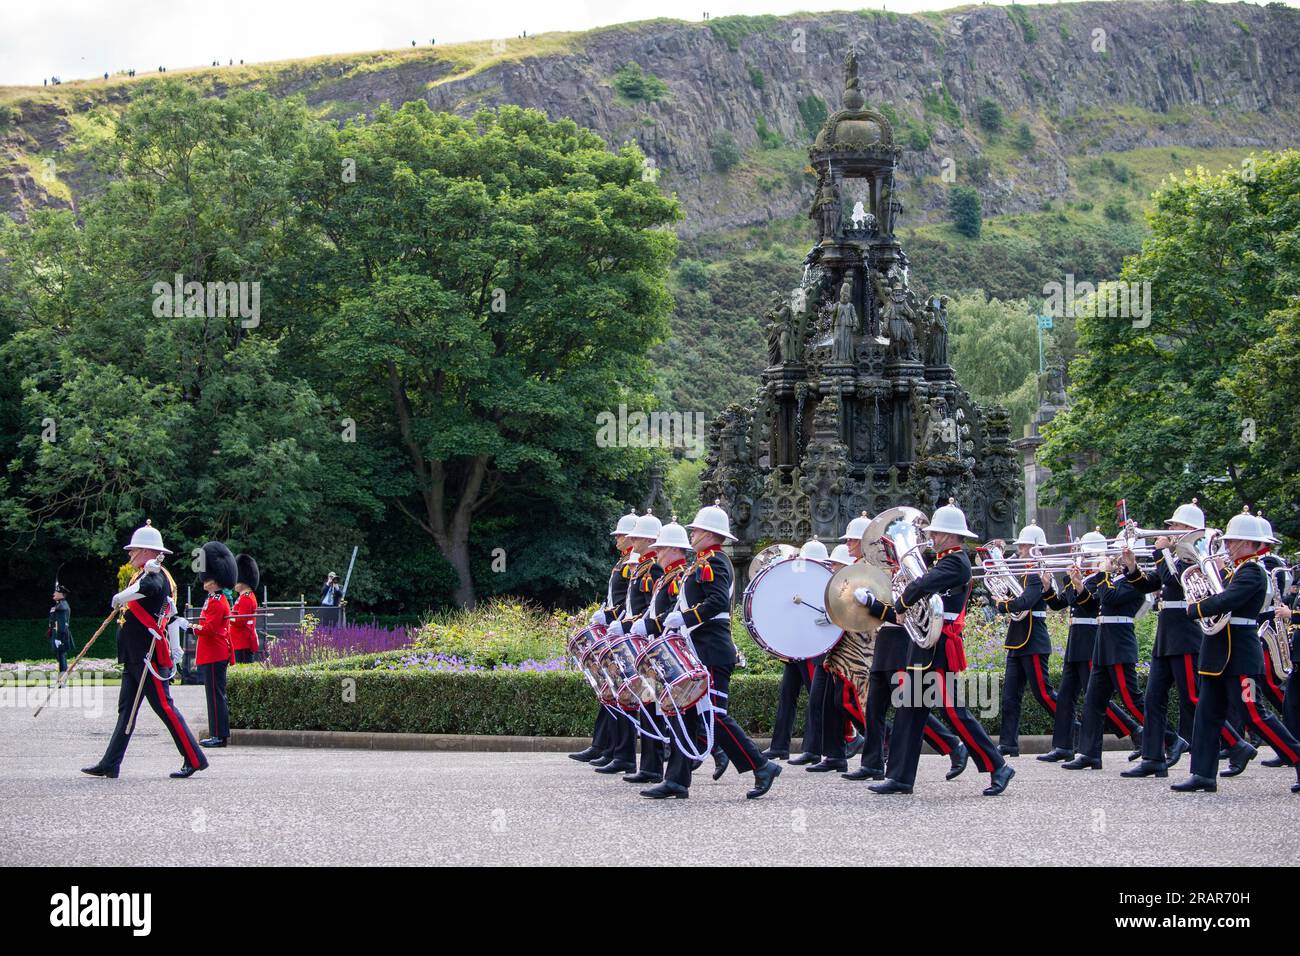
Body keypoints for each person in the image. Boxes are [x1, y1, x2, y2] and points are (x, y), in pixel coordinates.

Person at [854, 500, 1013, 796]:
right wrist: (885, 605)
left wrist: (902, 603)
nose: (932, 537)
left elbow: (923, 585)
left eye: (937, 533)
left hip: (940, 648)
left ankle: (998, 766)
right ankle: (900, 777)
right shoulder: (943, 561)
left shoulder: (956, 562)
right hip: (924, 647)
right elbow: (916, 599)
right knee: (908, 712)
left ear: (952, 536)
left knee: (955, 713)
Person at [640, 503, 781, 800]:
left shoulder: (716, 561)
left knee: (713, 716)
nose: (692, 534)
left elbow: (716, 601)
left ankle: (761, 765)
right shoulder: (700, 562)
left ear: (710, 534)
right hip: (699, 648)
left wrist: (687, 617)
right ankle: (676, 781)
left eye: (697, 530)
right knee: (686, 715)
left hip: (712, 649)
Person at [1173, 509, 1300, 793]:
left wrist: (1196, 608)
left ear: (1251, 544)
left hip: (1240, 656)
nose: (1228, 546)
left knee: (1254, 715)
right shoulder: (1235, 571)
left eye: (1234, 541)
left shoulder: (1253, 571)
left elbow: (1227, 600)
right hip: (1217, 655)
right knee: (1207, 716)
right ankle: (1203, 774)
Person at [841, 515, 967, 783]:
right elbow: (890, 610)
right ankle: (873, 763)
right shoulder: (883, 571)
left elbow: (909, 606)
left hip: (906, 643)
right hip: (887, 641)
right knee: (874, 708)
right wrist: (871, 604)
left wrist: (881, 604)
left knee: (908, 707)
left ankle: (952, 745)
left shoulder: (918, 567)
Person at [82, 521, 207, 779]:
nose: (130, 554)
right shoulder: (143, 573)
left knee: (164, 706)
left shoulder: (155, 575)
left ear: (149, 552)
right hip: (134, 655)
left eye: (135, 549)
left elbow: (148, 590)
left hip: (147, 655)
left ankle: (194, 758)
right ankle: (110, 763)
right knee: (126, 710)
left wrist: (121, 597)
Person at [1040, 531, 1139, 761]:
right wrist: (1047, 588)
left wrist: (1077, 584)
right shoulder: (1085, 579)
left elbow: (1092, 606)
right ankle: (1063, 745)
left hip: (1090, 639)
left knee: (1094, 696)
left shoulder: (1101, 580)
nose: (1081, 559)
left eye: (1086, 555)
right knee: (1066, 696)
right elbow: (1058, 604)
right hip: (1076, 640)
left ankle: (1135, 730)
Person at [598, 511, 664, 779]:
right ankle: (631, 759)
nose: (629, 540)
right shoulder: (639, 566)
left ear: (648, 540)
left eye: (636, 536)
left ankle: (647, 763)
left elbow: (651, 608)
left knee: (648, 702)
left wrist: (628, 624)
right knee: (632, 697)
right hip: (634, 636)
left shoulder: (654, 568)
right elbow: (628, 605)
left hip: (644, 639)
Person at [570, 509, 639, 763]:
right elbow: (617, 599)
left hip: (624, 630)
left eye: (621, 535)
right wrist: (604, 611)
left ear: (632, 537)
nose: (617, 539)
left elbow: (630, 603)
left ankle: (615, 750)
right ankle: (604, 746)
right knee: (610, 691)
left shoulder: (634, 564)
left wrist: (611, 617)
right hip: (616, 628)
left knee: (622, 693)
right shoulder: (624, 562)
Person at [991, 522, 1059, 757]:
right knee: (1010, 697)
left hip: (1034, 638)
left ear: (1034, 547)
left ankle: (1073, 731)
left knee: (1043, 694)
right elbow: (1007, 599)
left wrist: (1003, 604)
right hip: (1017, 638)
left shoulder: (1037, 573)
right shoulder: (1022, 572)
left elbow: (1026, 602)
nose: (1018, 550)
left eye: (1023, 546)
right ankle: (1008, 743)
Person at [194, 541, 237, 748]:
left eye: (208, 579)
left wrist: (190, 627)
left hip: (214, 653)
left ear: (215, 581)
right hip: (213, 652)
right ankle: (217, 734)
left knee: (215, 696)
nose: (205, 582)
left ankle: (219, 736)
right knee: (214, 695)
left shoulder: (217, 601)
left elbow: (209, 629)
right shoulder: (213, 599)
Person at [230, 554, 261, 664]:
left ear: (244, 581)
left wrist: (227, 617)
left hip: (242, 642)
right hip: (238, 641)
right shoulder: (243, 597)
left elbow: (241, 620)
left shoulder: (246, 599)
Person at [49, 582, 74, 673]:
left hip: (60, 635)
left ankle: (62, 680)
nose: (53, 594)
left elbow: (61, 624)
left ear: (61, 594)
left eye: (55, 592)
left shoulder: (61, 606)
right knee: (60, 656)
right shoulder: (60, 605)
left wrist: (59, 638)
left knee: (62, 656)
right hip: (59, 635)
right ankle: (61, 680)